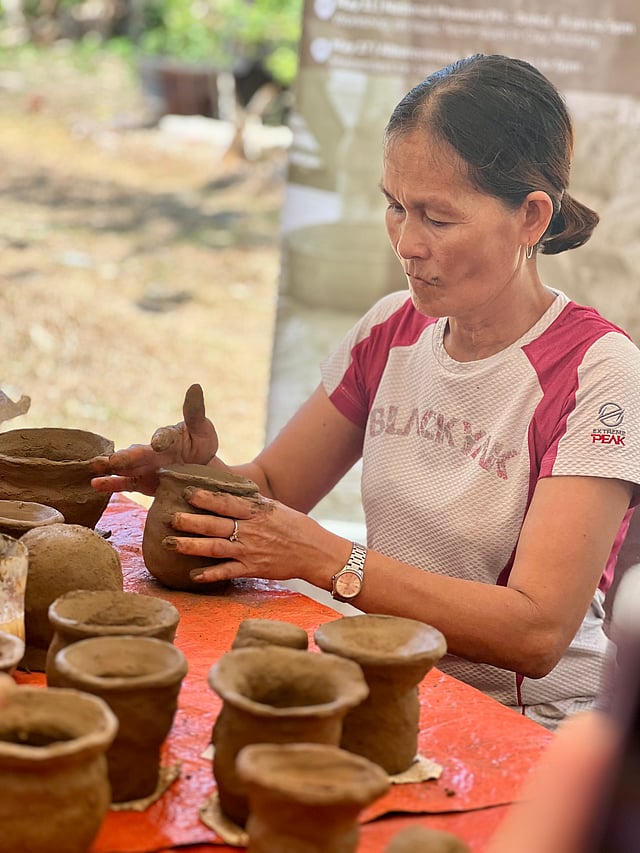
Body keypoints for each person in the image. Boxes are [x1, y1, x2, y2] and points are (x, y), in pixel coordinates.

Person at [92, 53, 640, 731]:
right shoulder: (391, 328)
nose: (406, 243)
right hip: (387, 684)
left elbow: (535, 632)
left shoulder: (598, 371)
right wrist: (188, 472)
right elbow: (271, 485)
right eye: (394, 206)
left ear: (531, 217)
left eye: (438, 218)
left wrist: (329, 559)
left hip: (528, 725)